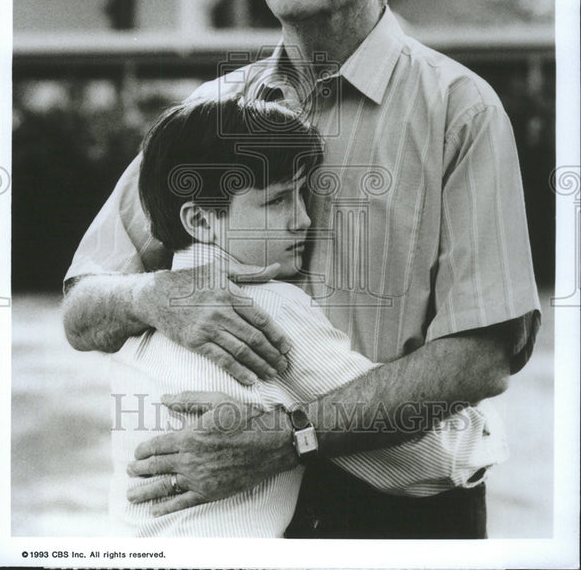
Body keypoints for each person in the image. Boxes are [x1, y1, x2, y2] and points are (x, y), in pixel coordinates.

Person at [63, 0, 541, 539]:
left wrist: (292, 438)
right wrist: (155, 294)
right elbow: (82, 305)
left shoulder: (459, 111)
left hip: (399, 522)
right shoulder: (211, 118)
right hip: (225, 514)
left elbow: (482, 353)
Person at [110, 95, 507, 537]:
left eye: (301, 193)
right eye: (278, 200)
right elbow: (428, 463)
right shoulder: (268, 308)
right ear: (202, 221)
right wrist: (481, 432)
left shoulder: (138, 329)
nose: (302, 219)